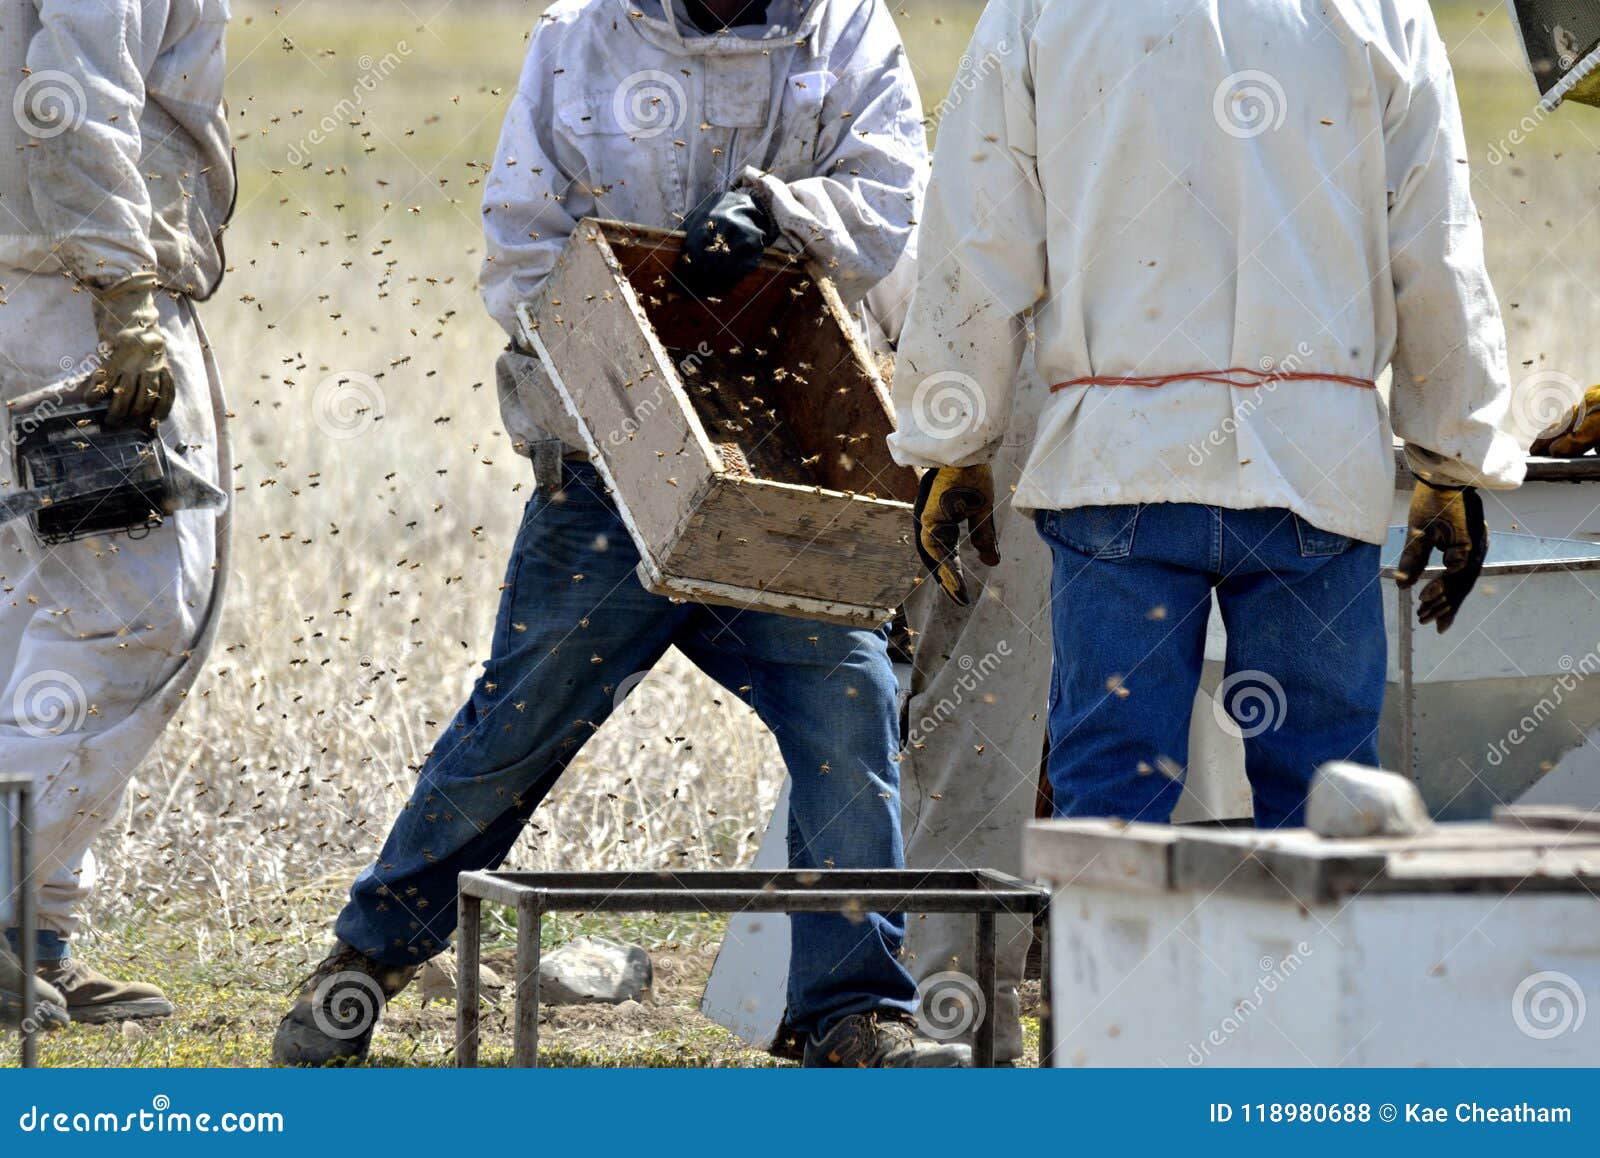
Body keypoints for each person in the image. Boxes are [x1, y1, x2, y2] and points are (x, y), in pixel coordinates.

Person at [273, 0, 966, 1069]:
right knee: (516, 727)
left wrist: (775, 211)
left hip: (777, 473)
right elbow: (521, 243)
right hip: (604, 467)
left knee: (849, 709)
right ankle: (360, 969)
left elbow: (890, 205)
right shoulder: (582, 36)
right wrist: (634, 350)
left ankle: (849, 1011)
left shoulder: (844, 30)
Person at [888, 0, 1527, 829]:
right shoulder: (1382, 10)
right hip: (1313, 473)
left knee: (1113, 794)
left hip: (1118, 472)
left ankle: (1110, 959)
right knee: (1325, 798)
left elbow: (977, 233)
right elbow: (1435, 240)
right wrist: (1450, 457)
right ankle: (1313, 960)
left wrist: (954, 444)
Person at [0, 0, 234, 1023]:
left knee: (29, 607)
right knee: (138, 611)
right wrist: (123, 285)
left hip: (45, 272)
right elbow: (70, 95)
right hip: (71, 293)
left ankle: (31, 940)